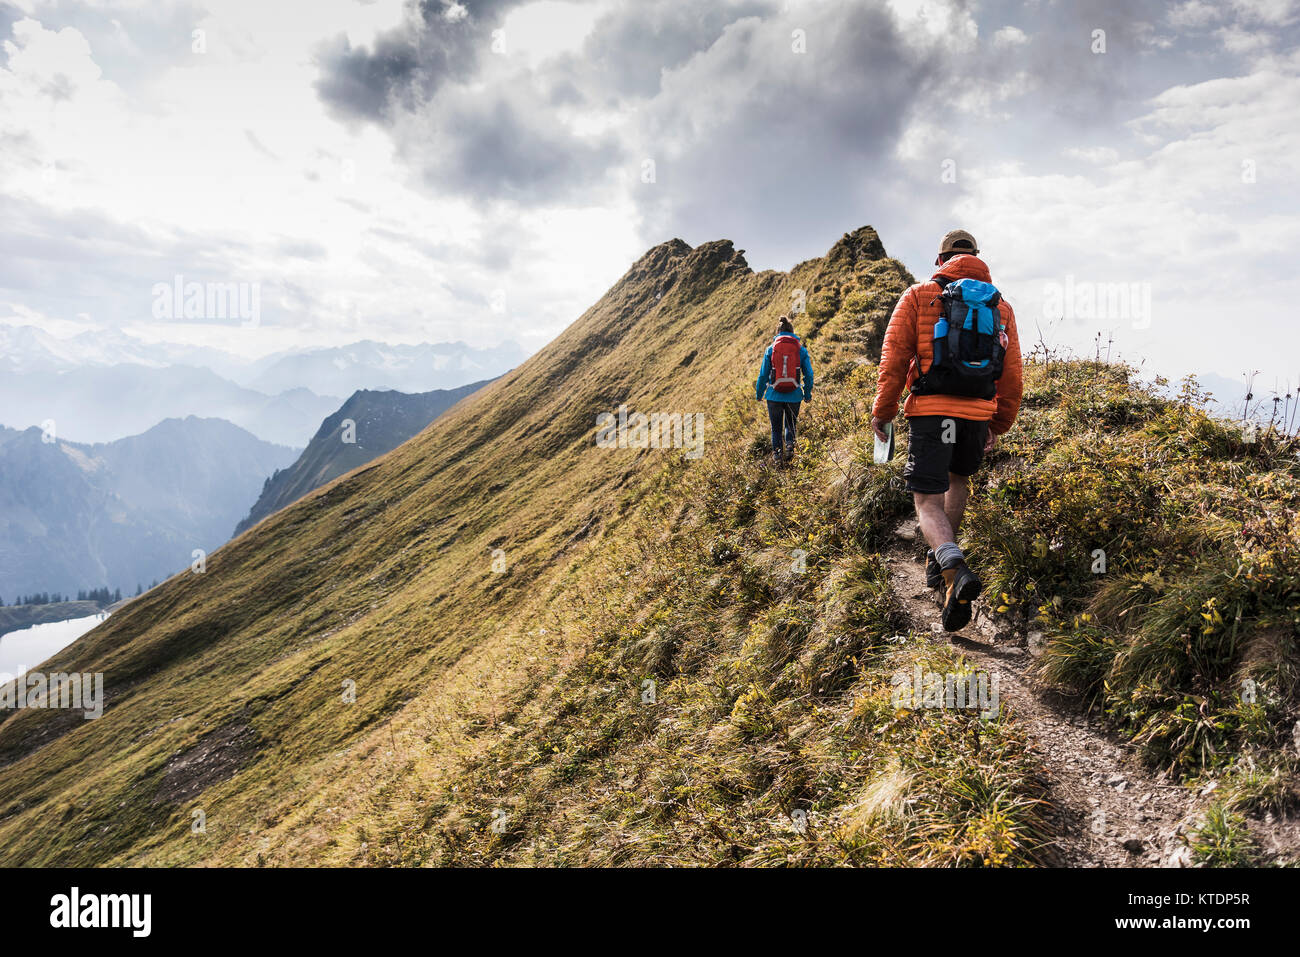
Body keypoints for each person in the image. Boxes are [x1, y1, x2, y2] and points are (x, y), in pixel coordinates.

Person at [870, 229, 1023, 632]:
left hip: (931, 411)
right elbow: (1012, 375)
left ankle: (953, 565)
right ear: (977, 257)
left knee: (926, 502)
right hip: (975, 415)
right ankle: (943, 571)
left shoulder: (918, 296)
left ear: (941, 261)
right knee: (958, 483)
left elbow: (893, 360)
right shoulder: (1000, 306)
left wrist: (882, 413)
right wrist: (998, 422)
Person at [755, 315, 814, 467]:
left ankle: (777, 456)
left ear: (778, 332)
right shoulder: (801, 350)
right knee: (790, 425)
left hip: (774, 395)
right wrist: (807, 394)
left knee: (776, 428)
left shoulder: (771, 349)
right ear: (792, 332)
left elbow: (763, 375)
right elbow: (809, 374)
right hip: (794, 395)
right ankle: (789, 448)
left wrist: (759, 393)